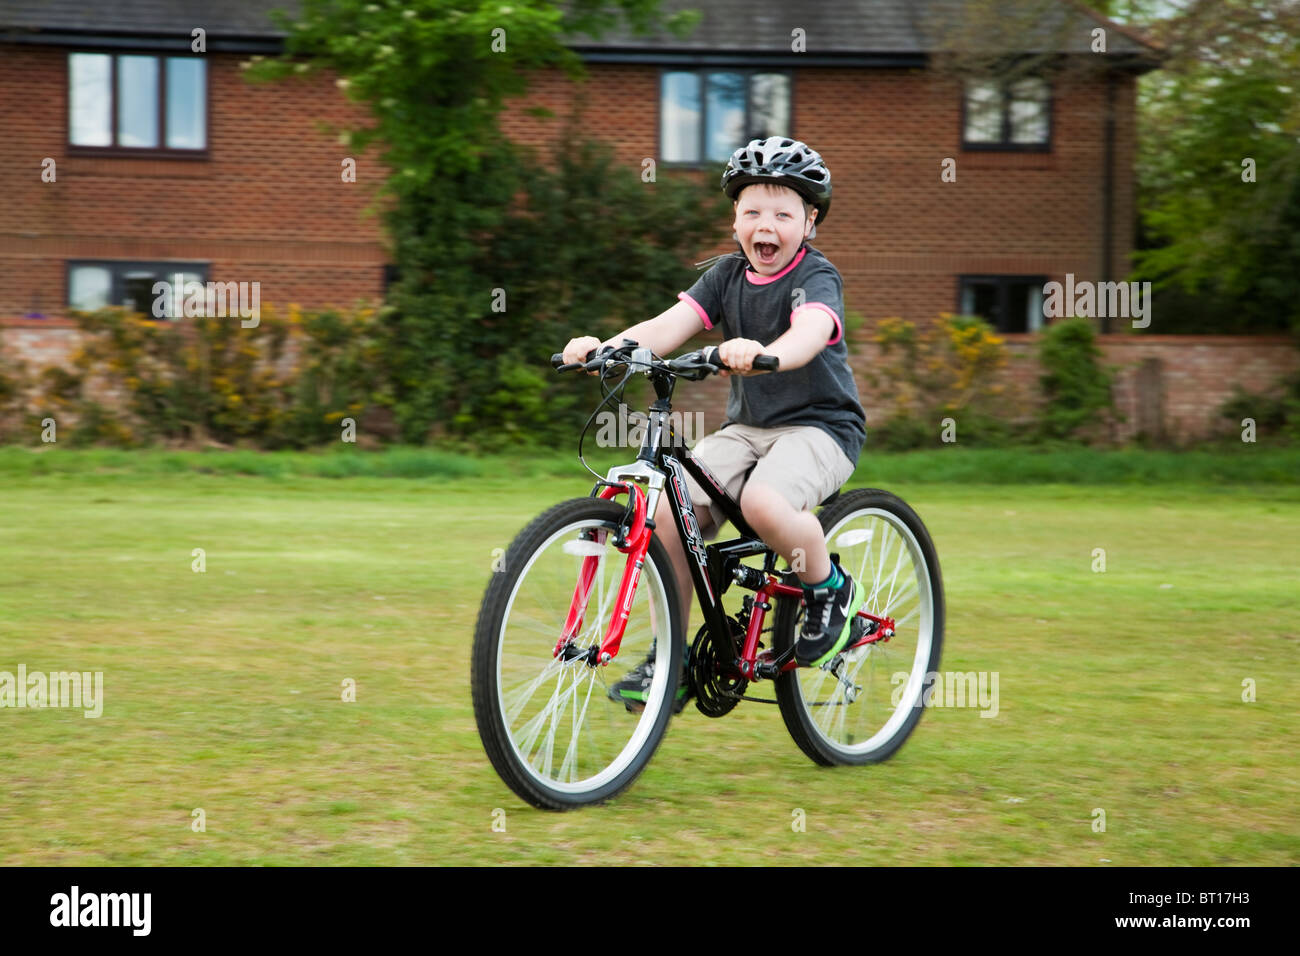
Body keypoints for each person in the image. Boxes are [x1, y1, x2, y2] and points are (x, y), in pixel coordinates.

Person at [560, 137, 867, 707]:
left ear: (811, 220)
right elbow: (668, 326)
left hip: (820, 429)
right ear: (735, 220)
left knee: (764, 505)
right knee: (662, 516)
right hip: (747, 432)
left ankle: (830, 590)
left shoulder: (816, 277)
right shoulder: (726, 277)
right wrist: (607, 346)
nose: (765, 225)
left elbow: (811, 332)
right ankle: (670, 658)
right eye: (752, 211)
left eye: (783, 212)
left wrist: (766, 350)